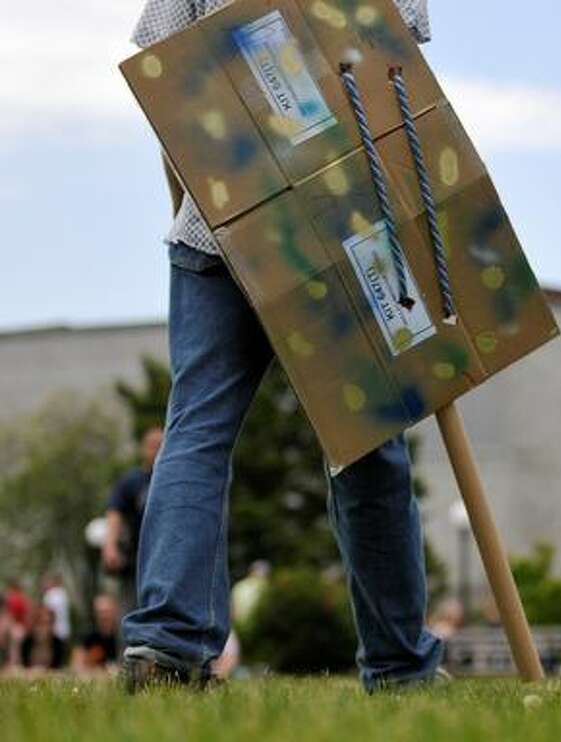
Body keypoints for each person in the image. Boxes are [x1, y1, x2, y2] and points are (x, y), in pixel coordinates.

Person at [120, 0, 445, 692]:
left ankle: (167, 647)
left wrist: (193, 208)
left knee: (197, 429)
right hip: (338, 234)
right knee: (368, 439)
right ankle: (399, 669)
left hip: (216, 224)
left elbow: (168, 88)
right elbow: (396, 82)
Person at [103, 427, 163, 614]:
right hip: (136, 560)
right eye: (152, 445)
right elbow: (114, 512)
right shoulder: (131, 481)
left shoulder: (174, 481)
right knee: (133, 611)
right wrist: (110, 545)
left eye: (161, 445)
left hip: (168, 559)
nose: (156, 450)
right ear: (143, 449)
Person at [74, 595, 121, 674]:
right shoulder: (87, 636)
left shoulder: (124, 636)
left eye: (107, 611)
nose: (104, 616)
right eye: (100, 612)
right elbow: (77, 665)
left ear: (115, 611)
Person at [19, 604, 68, 673]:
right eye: (39, 623)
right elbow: (21, 666)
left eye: (47, 623)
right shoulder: (26, 642)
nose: (43, 628)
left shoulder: (58, 644)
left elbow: (60, 668)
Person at [230, 560, 271, 633]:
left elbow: (232, 612)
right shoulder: (266, 587)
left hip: (239, 629)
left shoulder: (239, 586)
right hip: (259, 629)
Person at [40, 574, 70, 644]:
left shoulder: (49, 595)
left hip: (54, 631)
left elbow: (48, 614)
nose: (42, 586)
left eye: (44, 583)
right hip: (64, 630)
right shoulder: (63, 593)